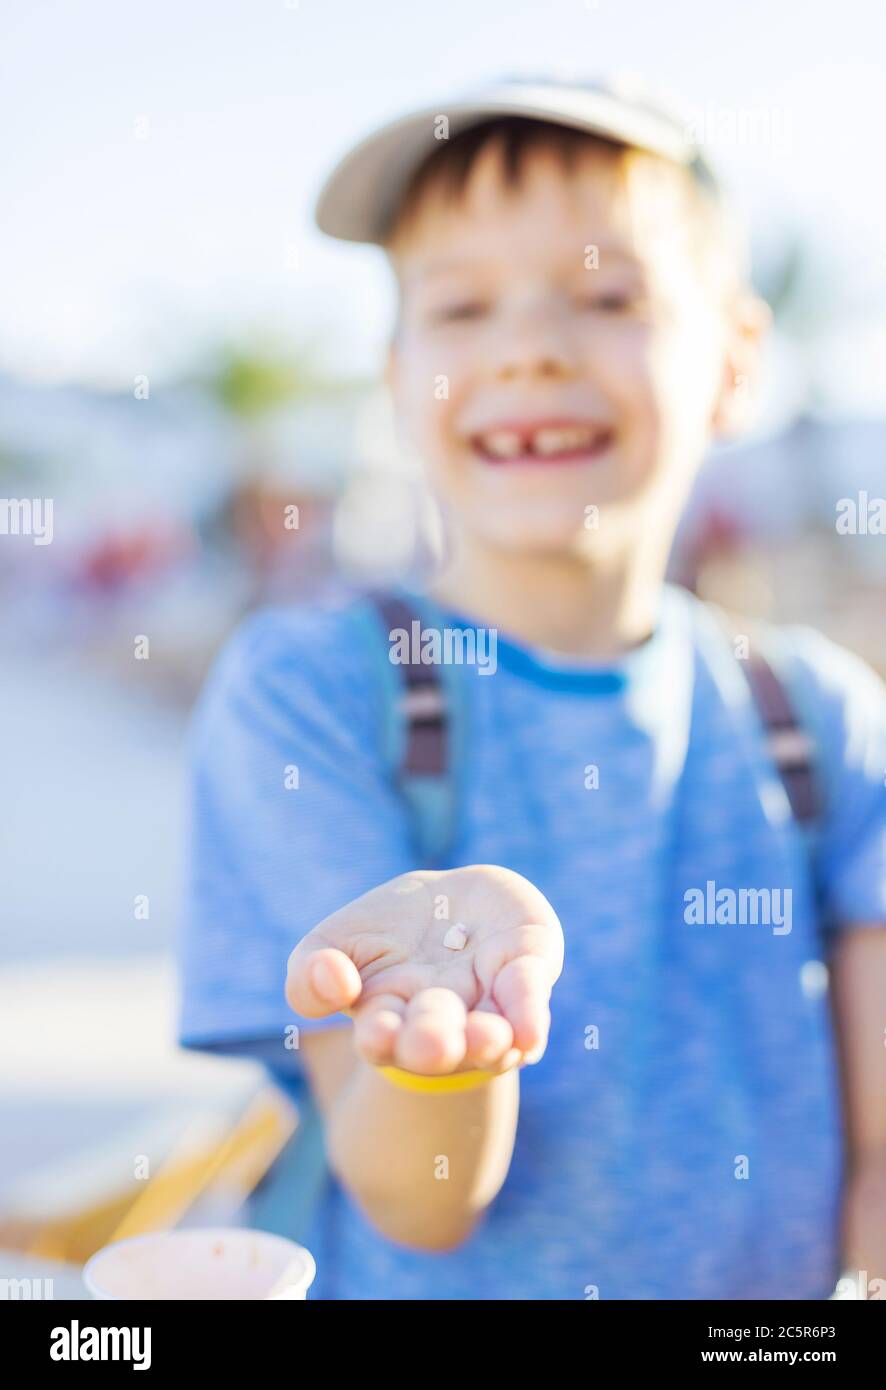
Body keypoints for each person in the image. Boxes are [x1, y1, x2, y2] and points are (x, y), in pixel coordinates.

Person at [178, 76, 886, 1300]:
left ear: (734, 357)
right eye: (460, 307)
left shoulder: (819, 719)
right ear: (400, 377)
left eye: (609, 295)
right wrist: (441, 1056)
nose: (530, 347)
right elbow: (418, 1200)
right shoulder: (309, 695)